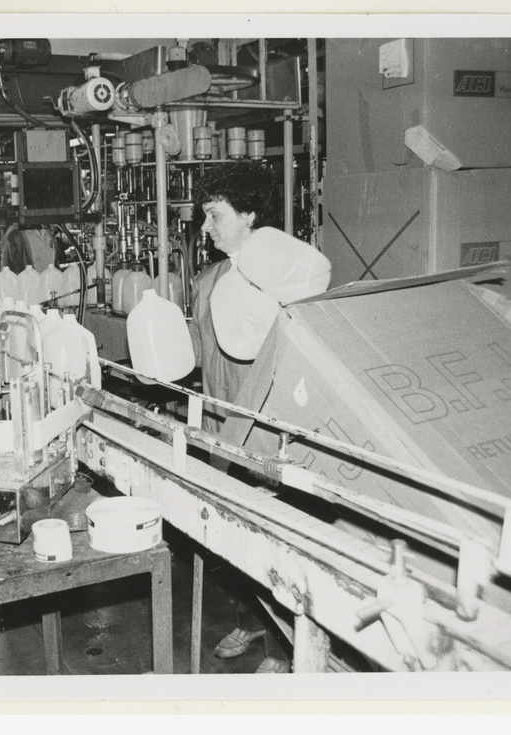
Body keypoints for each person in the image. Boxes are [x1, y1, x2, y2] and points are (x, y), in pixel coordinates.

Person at [190, 161, 319, 672]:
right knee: (231, 539)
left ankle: (282, 651)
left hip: (267, 434)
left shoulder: (285, 278)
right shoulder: (208, 281)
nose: (205, 227)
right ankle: (252, 619)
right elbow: (202, 361)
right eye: (204, 215)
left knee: (276, 543)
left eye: (215, 215)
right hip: (222, 428)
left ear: (249, 216)